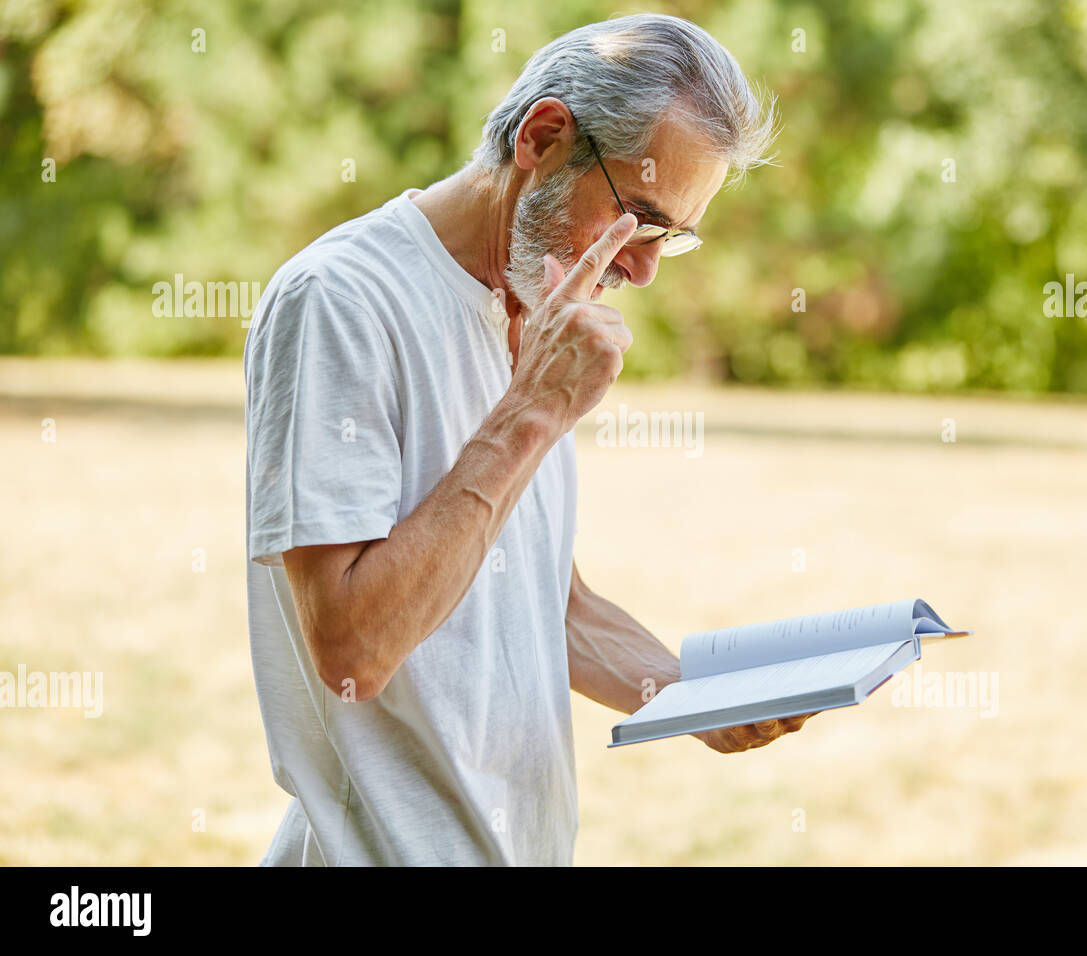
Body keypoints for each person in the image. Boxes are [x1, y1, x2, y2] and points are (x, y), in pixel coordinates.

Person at [243, 12, 813, 866]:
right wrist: (532, 412)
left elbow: (551, 607)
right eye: (638, 218)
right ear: (544, 139)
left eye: (674, 237)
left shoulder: (531, 308)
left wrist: (697, 695)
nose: (647, 266)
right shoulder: (340, 300)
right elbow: (353, 648)